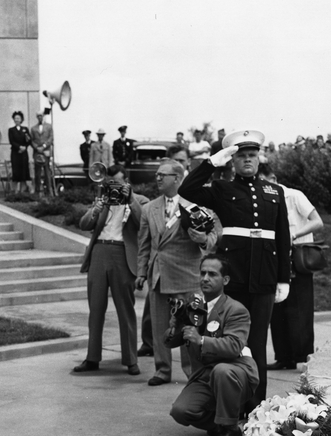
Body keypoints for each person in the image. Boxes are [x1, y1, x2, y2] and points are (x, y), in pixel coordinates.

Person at [178, 129, 291, 413]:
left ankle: (257, 407)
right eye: (241, 156)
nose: (248, 160)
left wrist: (283, 278)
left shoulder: (274, 191)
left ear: (259, 157)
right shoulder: (222, 189)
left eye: (252, 155)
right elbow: (186, 191)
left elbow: (282, 237)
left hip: (264, 279)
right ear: (233, 161)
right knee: (232, 343)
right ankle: (231, 404)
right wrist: (210, 164)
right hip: (235, 278)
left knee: (258, 345)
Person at [136, 161, 221, 386]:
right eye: (156, 175)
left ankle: (192, 372)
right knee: (159, 327)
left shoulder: (197, 206)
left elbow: (215, 235)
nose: (158, 178)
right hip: (159, 275)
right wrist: (141, 272)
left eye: (163, 175)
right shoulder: (149, 208)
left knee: (189, 327)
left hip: (188, 276)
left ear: (178, 178)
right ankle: (162, 370)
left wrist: (204, 240)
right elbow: (144, 244)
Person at [168, 254, 259, 436]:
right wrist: (176, 325)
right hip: (207, 372)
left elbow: (234, 346)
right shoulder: (194, 305)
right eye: (202, 273)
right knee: (180, 411)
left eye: (212, 274)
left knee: (222, 371)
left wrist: (200, 340)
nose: (205, 278)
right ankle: (222, 422)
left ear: (225, 280)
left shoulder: (235, 309)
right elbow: (170, 342)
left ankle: (229, 429)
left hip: (236, 369)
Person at [73, 164, 143, 375]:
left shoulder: (139, 200)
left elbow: (144, 223)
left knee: (126, 309)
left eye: (119, 183)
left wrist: (130, 198)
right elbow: (84, 224)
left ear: (127, 182)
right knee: (96, 308)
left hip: (123, 254)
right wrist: (97, 207)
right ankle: (92, 358)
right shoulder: (103, 199)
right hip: (100, 252)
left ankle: (131, 359)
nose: (114, 187)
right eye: (110, 183)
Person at [261, 164, 324, 371]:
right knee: (277, 308)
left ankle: (304, 357)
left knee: (301, 309)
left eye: (266, 180)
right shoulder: (262, 200)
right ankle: (284, 357)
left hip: (297, 258)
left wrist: (293, 235)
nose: (264, 186)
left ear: (274, 178)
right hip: (274, 260)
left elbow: (317, 222)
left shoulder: (294, 196)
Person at [30, 112, 54, 196]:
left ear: (43, 116)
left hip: (46, 151)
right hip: (37, 152)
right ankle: (37, 191)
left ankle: (49, 190)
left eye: (41, 116)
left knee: (47, 172)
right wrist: (37, 147)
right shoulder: (33, 128)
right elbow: (31, 140)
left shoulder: (49, 126)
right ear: (37, 117)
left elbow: (51, 138)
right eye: (38, 116)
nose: (40, 117)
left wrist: (44, 146)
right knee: (38, 172)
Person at [8, 111, 32, 194]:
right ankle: (15, 191)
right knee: (16, 171)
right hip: (15, 153)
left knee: (24, 171)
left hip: (24, 153)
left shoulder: (25, 129)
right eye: (15, 118)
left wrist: (25, 147)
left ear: (21, 119)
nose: (17, 120)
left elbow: (29, 140)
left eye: (18, 118)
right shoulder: (11, 130)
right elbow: (12, 141)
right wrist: (19, 147)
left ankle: (22, 191)